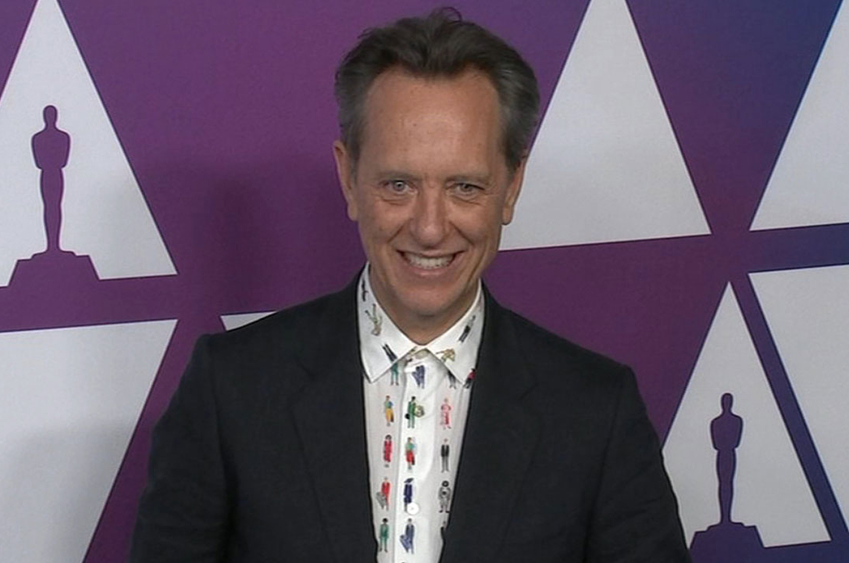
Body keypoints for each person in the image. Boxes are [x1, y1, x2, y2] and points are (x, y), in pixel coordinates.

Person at [130, 9, 689, 562]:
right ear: (349, 177)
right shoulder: (230, 388)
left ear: (512, 186)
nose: (429, 228)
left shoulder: (596, 410)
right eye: (398, 185)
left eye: (465, 187)